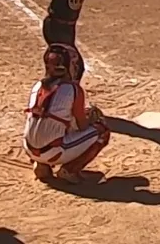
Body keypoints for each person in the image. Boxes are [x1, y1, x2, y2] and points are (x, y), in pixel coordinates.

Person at [23, 43, 110, 182]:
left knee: (51, 122)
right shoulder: (73, 90)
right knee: (102, 131)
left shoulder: (37, 86)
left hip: (29, 148)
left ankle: (41, 166)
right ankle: (70, 170)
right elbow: (82, 126)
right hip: (54, 152)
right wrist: (90, 119)